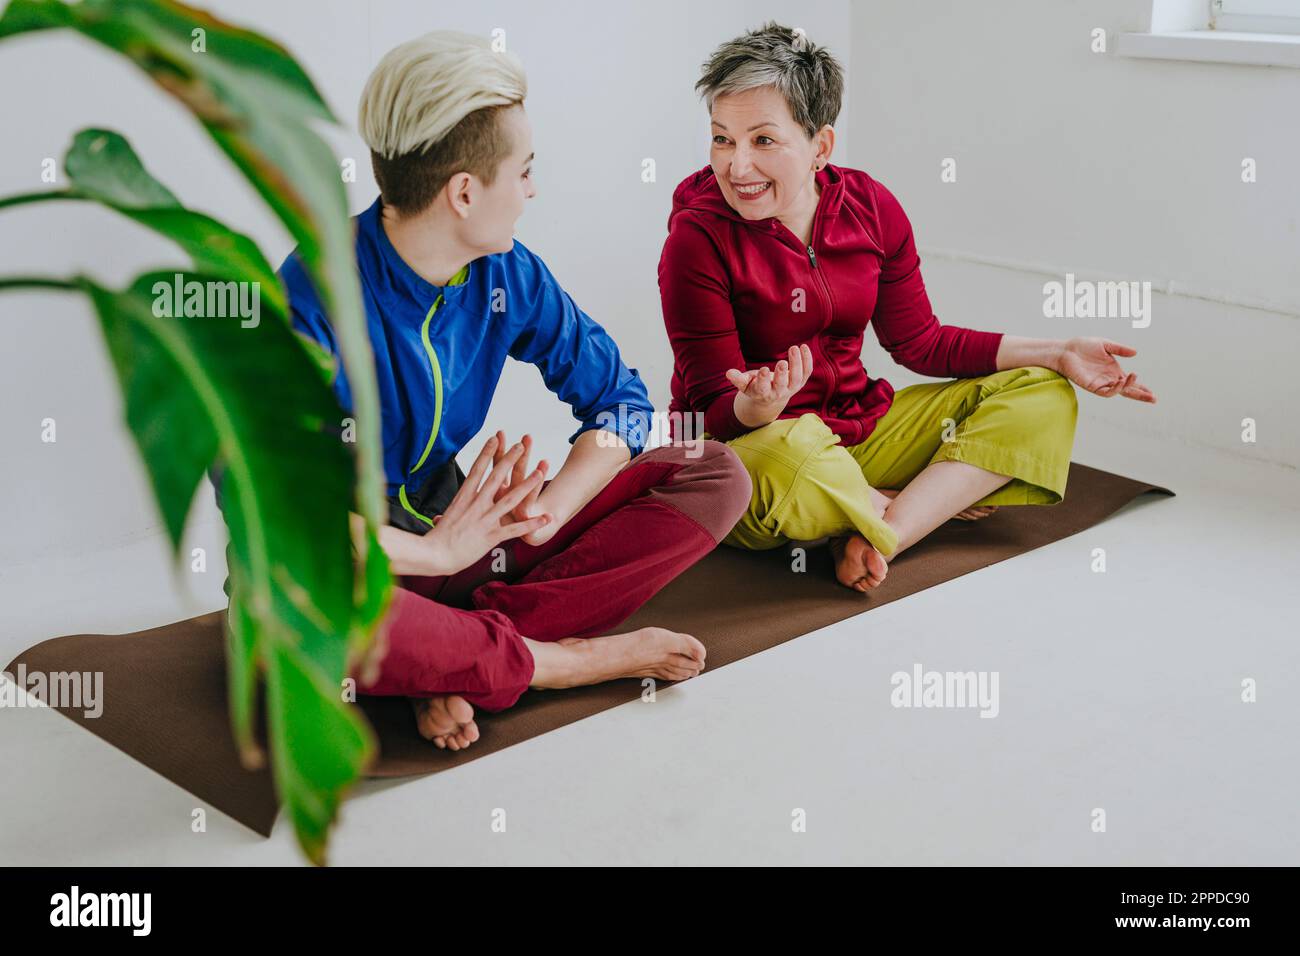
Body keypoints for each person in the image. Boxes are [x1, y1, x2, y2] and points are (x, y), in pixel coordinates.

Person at [280, 31, 750, 751]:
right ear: (464, 192)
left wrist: (550, 510)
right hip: (354, 573)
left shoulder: (507, 275)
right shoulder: (311, 298)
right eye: (524, 172)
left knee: (711, 469)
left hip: (469, 548)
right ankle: (560, 662)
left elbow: (622, 402)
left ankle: (458, 658)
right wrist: (433, 554)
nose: (532, 191)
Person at [658, 22, 1155, 593]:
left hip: (856, 434)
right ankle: (919, 508)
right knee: (790, 450)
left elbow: (921, 341)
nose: (736, 166)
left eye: (762, 141)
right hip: (753, 453)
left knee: (1042, 391)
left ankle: (876, 529)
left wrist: (1059, 351)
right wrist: (756, 409)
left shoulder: (870, 207)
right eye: (722, 138)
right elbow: (709, 410)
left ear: (820, 146)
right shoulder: (695, 239)